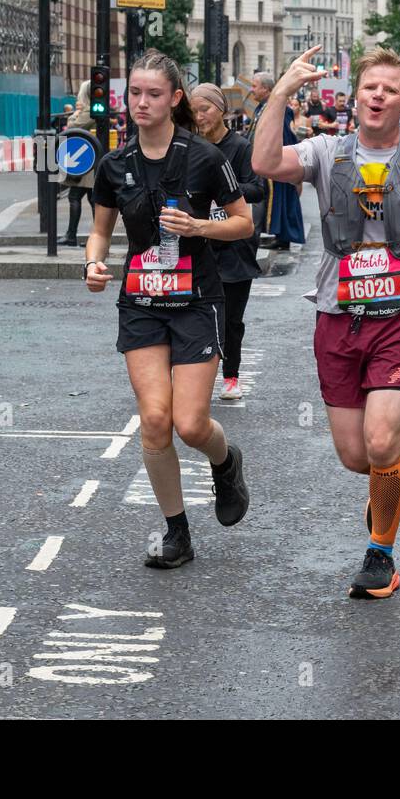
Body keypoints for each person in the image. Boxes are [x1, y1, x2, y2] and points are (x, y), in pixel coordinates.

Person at [251, 45, 400, 599]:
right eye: (370, 87)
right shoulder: (327, 150)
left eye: (391, 90)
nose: (379, 96)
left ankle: (380, 554)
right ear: (356, 96)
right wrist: (281, 92)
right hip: (338, 311)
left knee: (379, 440)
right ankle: (391, 475)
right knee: (358, 455)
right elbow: (263, 164)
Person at [85, 50, 254, 569]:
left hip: (196, 300)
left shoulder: (204, 158)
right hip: (141, 301)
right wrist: (92, 265)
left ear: (174, 99)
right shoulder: (115, 165)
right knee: (155, 421)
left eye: (153, 94)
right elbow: (99, 232)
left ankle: (226, 463)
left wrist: (201, 227)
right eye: (134, 93)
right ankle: (176, 531)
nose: (141, 102)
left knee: (191, 424)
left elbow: (244, 223)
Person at [192, 82, 267, 401]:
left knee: (231, 318)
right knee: (196, 314)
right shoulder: (190, 147)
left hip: (236, 244)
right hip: (200, 243)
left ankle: (231, 376)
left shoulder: (240, 147)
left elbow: (258, 188)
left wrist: (226, 192)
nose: (199, 117)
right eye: (193, 111)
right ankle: (197, 375)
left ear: (221, 109)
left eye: (205, 109)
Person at [250, 72, 306, 250]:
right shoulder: (262, 107)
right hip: (264, 161)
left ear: (266, 89)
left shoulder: (278, 109)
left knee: (282, 199)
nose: (252, 90)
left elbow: (285, 138)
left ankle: (283, 237)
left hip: (278, 162)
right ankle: (276, 234)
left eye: (255, 86)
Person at [62, 81, 98, 247]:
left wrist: (74, 114)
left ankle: (72, 235)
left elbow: (72, 126)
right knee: (92, 198)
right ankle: (95, 236)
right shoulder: (94, 110)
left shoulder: (89, 111)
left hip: (86, 161)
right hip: (91, 158)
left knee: (74, 196)